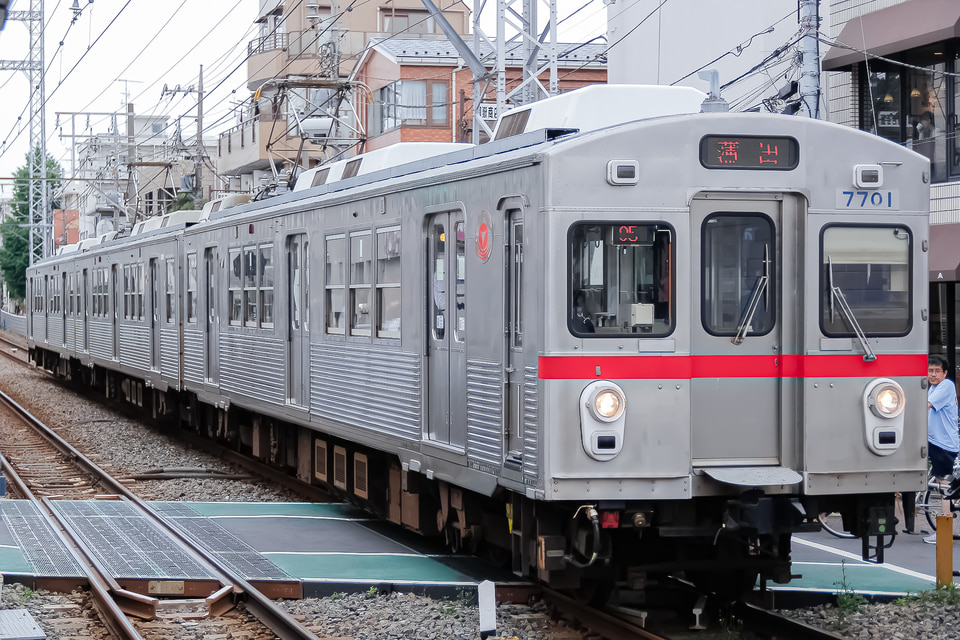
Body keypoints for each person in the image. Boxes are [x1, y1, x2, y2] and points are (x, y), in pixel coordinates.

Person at [919, 355, 959, 544]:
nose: (932, 374)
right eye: (929, 370)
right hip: (935, 442)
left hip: (944, 445)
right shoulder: (933, 388)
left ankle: (944, 533)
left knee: (945, 488)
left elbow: (925, 406)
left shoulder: (946, 386)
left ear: (945, 373)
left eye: (937, 371)